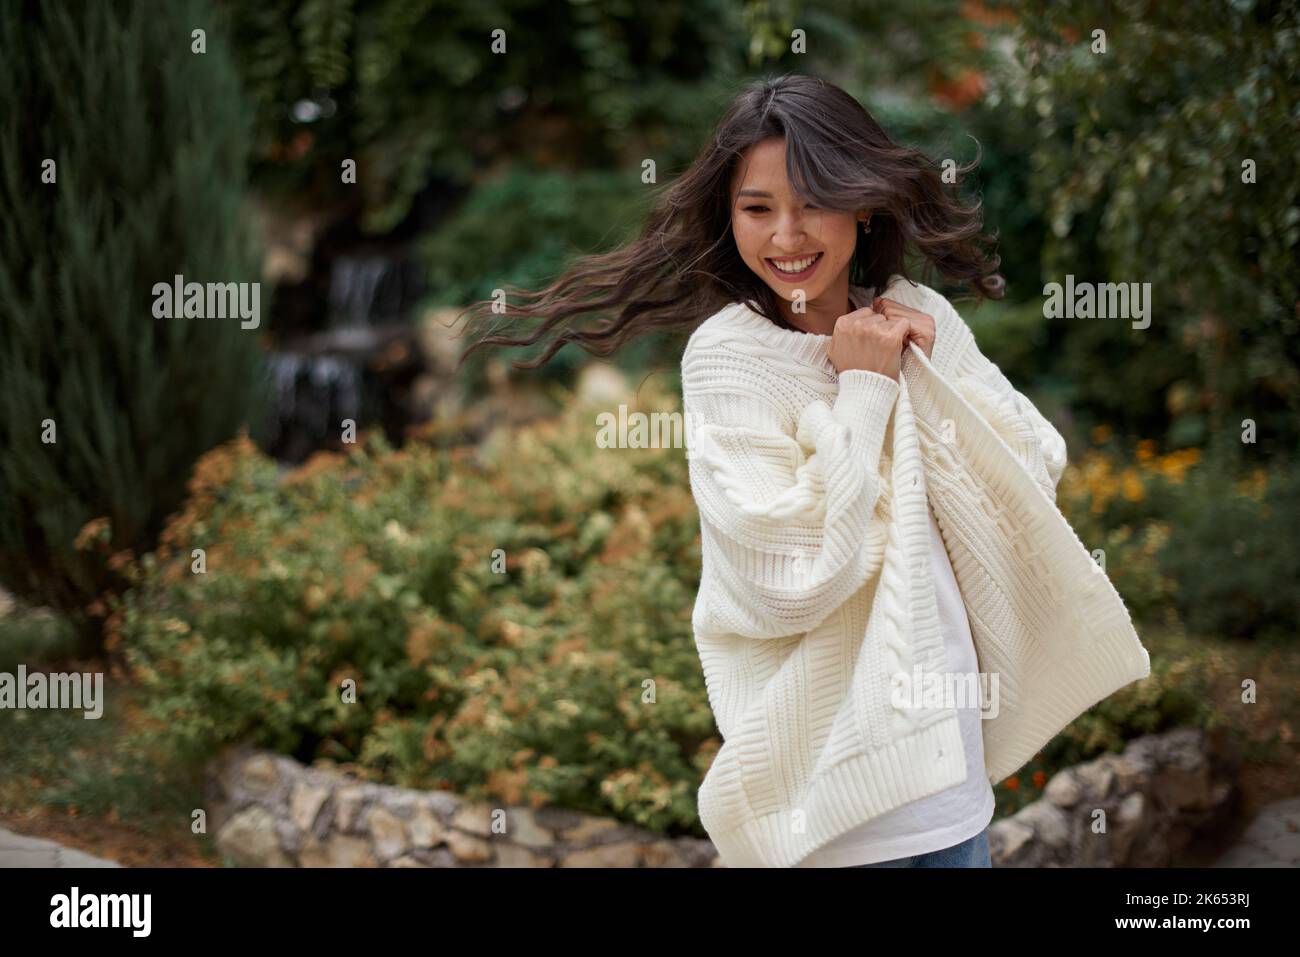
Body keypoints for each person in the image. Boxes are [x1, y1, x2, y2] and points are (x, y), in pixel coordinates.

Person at [458, 73, 1150, 869]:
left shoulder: (913, 311)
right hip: (836, 801)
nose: (786, 235)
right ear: (729, 215)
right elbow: (787, 580)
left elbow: (1030, 476)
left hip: (948, 772)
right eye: (757, 209)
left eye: (812, 201)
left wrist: (938, 371)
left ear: (862, 203)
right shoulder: (729, 357)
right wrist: (862, 390)